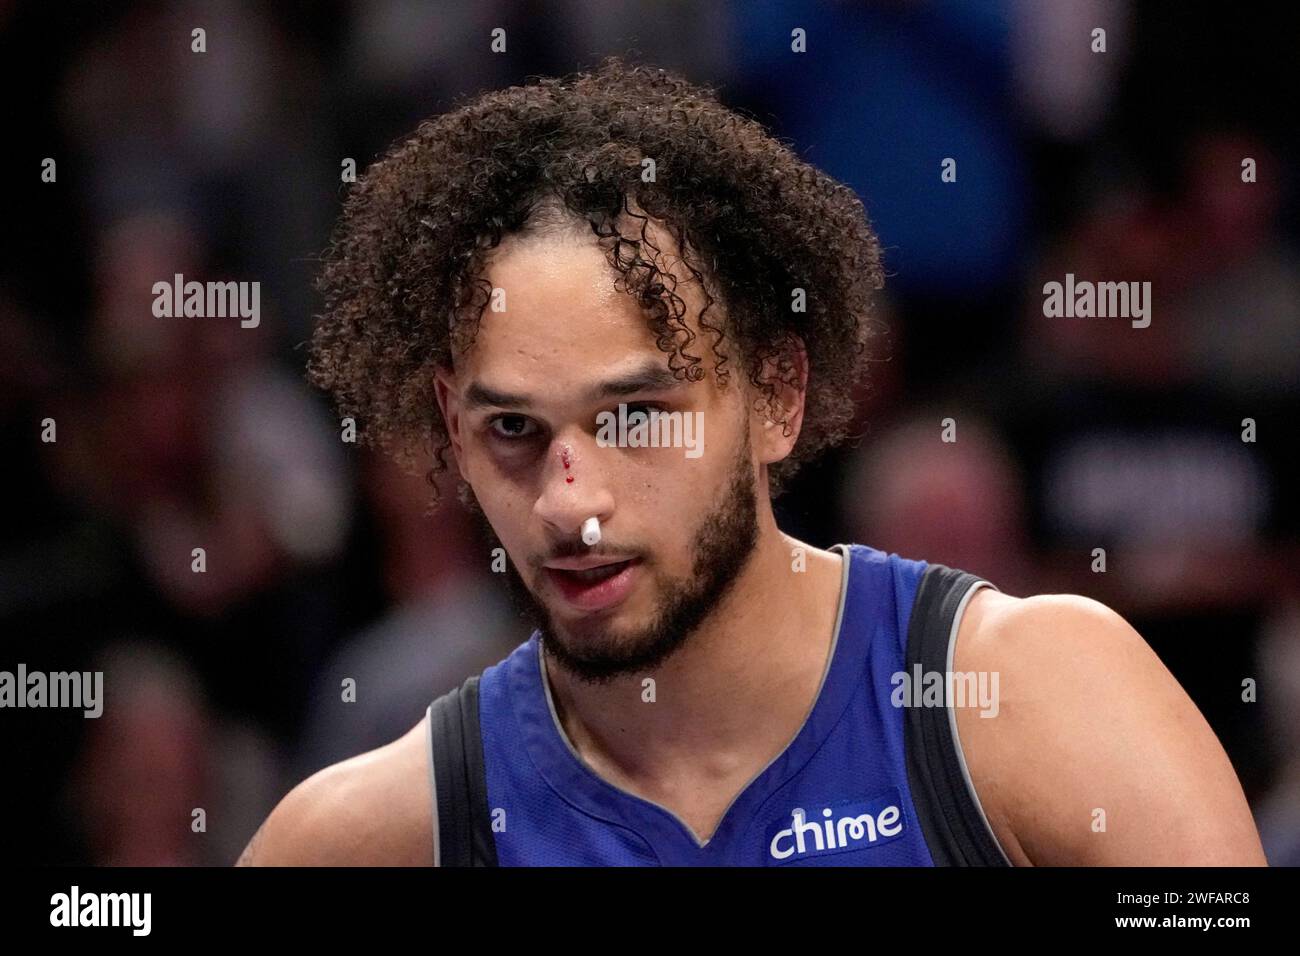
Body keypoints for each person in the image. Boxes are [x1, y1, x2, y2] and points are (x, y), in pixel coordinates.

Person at [236, 58, 1264, 866]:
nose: (570, 499)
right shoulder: (372, 830)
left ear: (776, 395)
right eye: (514, 430)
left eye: (634, 416)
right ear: (448, 427)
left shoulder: (1035, 695)